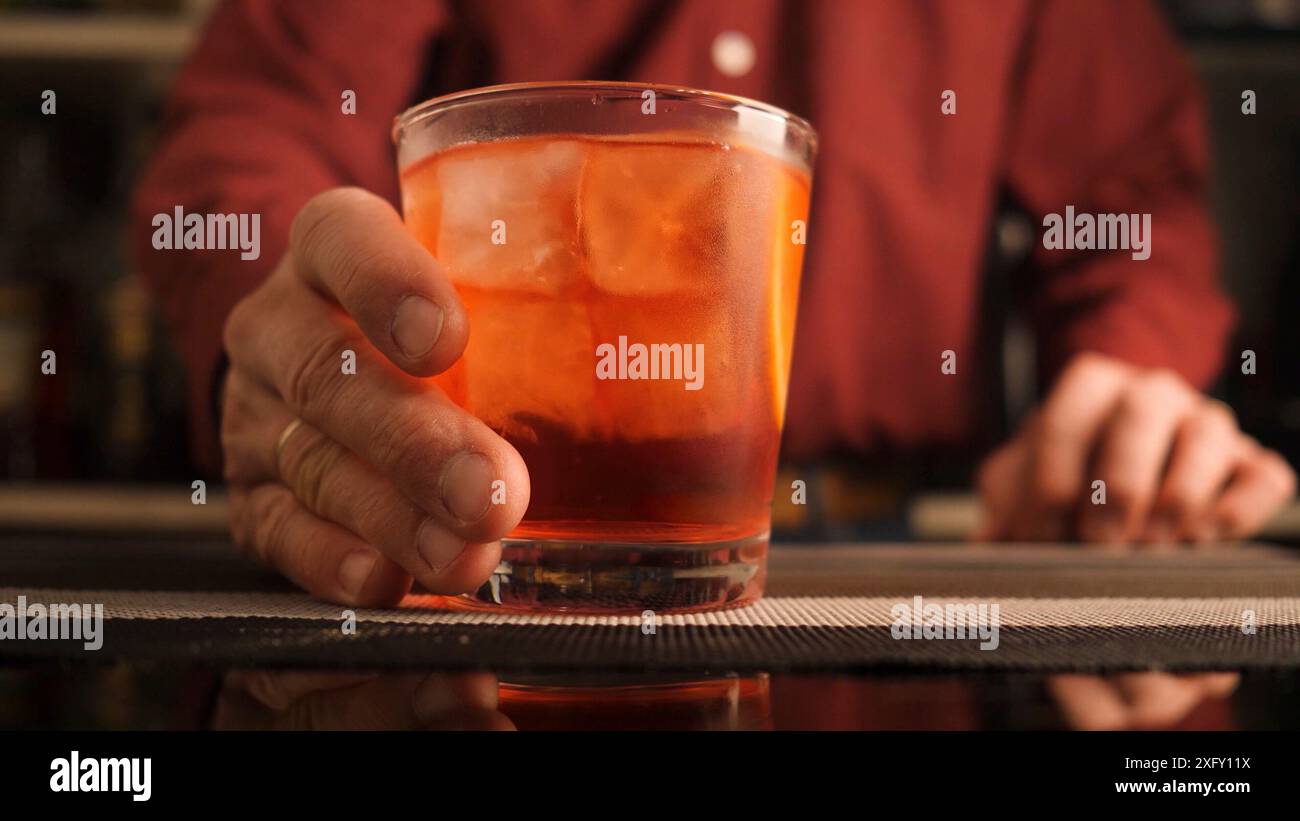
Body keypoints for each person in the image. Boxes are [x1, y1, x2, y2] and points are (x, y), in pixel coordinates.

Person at [133, 0, 1295, 607]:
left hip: (895, 560)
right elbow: (254, 126)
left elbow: (1128, 188)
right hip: (478, 542)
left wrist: (1129, 375)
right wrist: (286, 344)